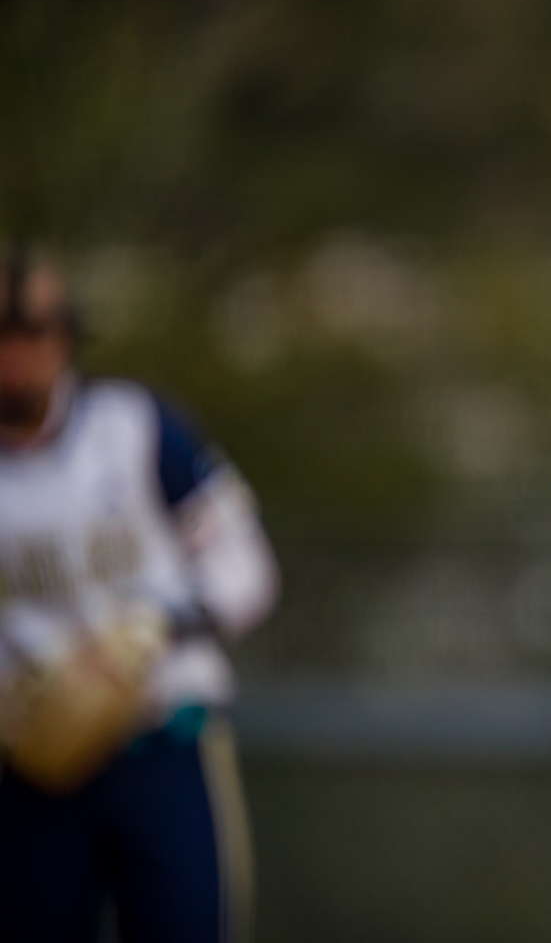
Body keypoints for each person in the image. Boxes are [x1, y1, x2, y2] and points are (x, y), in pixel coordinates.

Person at [0, 249, 279, 943]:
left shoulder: (135, 427)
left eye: (35, 327)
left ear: (64, 335)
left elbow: (245, 566)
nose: (20, 350)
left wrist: (160, 624)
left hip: (161, 733)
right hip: (32, 765)